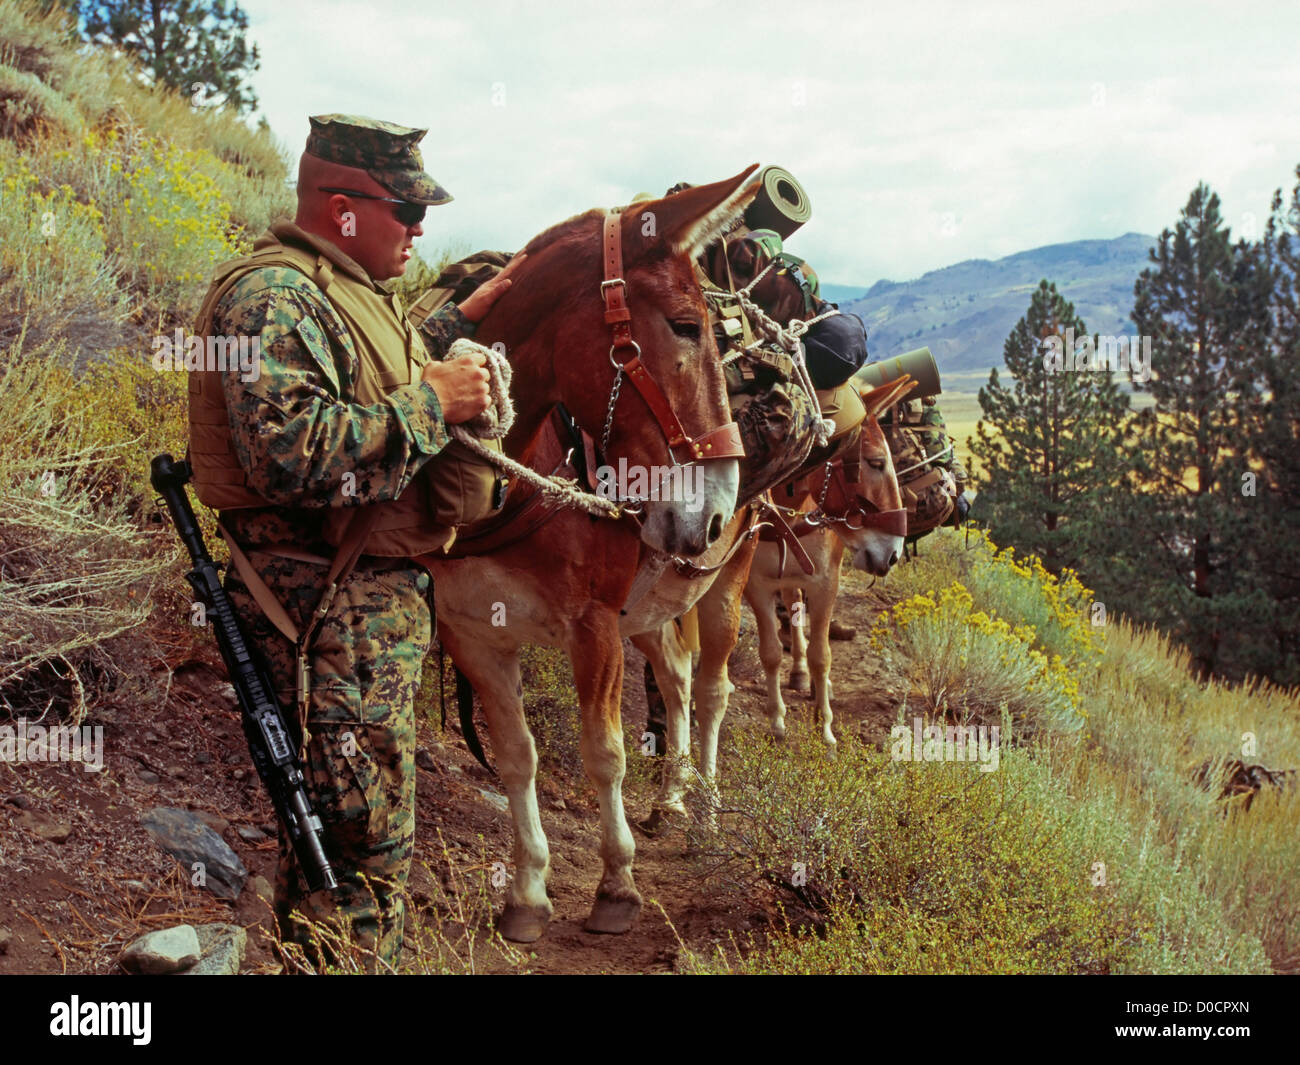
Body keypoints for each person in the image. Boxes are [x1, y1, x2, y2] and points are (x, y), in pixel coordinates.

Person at [186, 114, 520, 970]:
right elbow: (289, 457)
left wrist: (446, 346)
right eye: (404, 207)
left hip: (360, 627)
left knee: (353, 858)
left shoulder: (347, 295)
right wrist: (430, 404)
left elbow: (360, 377)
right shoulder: (273, 298)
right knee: (357, 868)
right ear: (340, 207)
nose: (419, 227)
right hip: (327, 627)